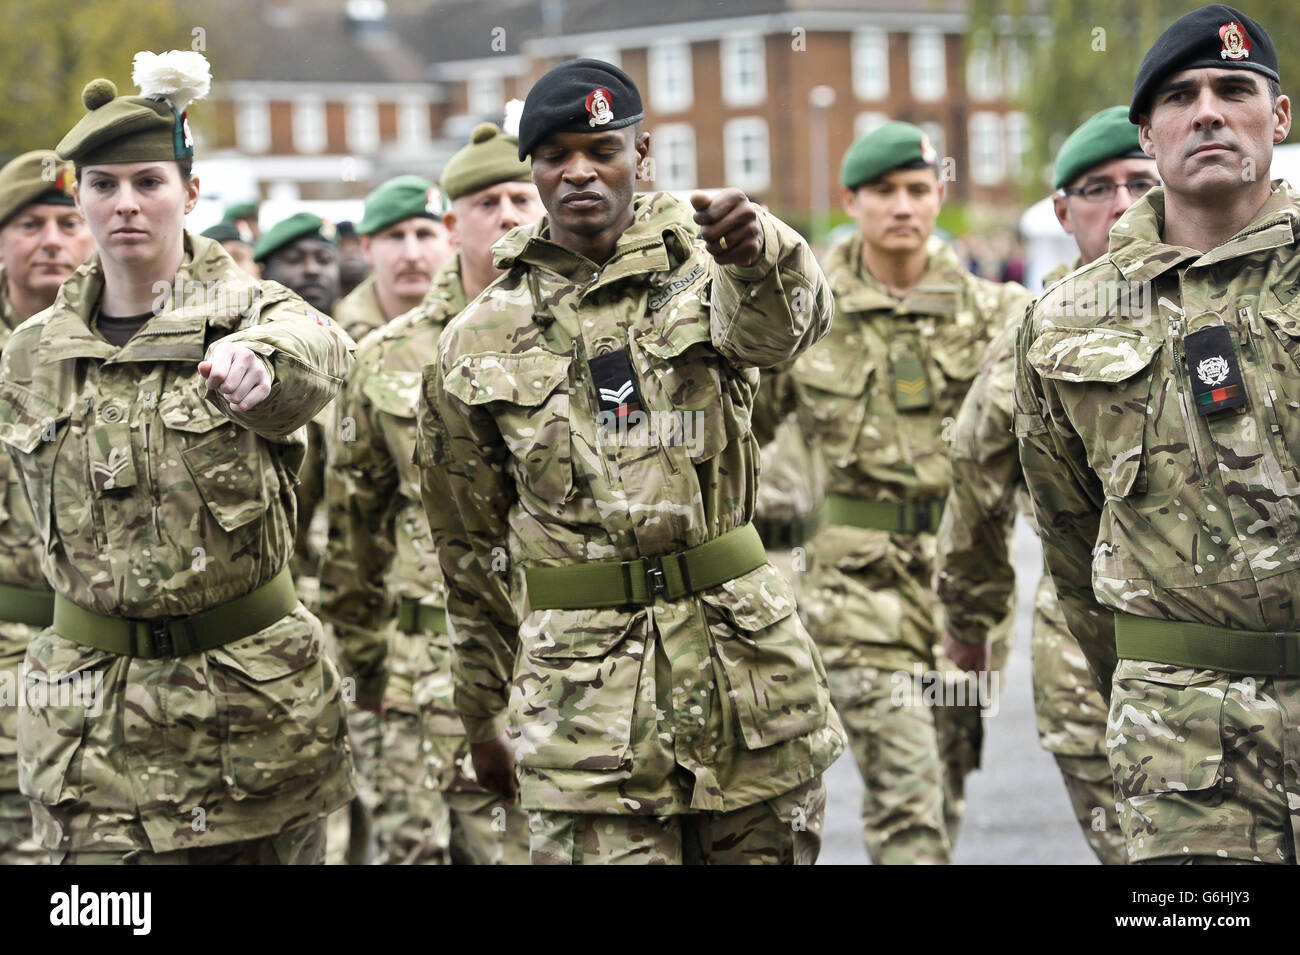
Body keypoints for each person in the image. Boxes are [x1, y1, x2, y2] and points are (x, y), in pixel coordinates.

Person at [417, 59, 844, 865]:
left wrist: (761, 252)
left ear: (640, 154)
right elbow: (468, 550)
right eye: (555, 155)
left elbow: (788, 330)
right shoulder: (476, 337)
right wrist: (481, 710)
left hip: (744, 680)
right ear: (533, 169)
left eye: (602, 149)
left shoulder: (712, 269)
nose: (579, 170)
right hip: (585, 712)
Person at [0, 50, 356, 864]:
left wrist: (260, 365)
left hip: (252, 731)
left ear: (191, 194)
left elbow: (322, 350)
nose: (126, 203)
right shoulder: (30, 355)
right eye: (104, 184)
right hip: (90, 742)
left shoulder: (254, 313)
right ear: (80, 196)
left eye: (149, 182)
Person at [1015, 4, 1297, 865]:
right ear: (1149, 131)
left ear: (1278, 116)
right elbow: (1068, 531)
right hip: (1181, 748)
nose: (1207, 109)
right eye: (1180, 96)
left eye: (1233, 88)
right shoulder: (1065, 320)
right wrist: (1142, 687)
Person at [782, 121, 1032, 864]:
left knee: (945, 785)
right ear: (849, 200)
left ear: (939, 196)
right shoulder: (804, 314)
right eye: (884, 191)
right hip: (855, 590)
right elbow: (741, 432)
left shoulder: (997, 313)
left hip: (966, 588)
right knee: (908, 793)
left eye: (918, 190)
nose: (903, 206)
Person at [936, 105, 1160, 865]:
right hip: (1091, 662)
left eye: (1141, 181)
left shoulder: (1239, 301)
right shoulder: (1039, 332)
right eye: (1099, 188)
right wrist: (969, 620)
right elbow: (975, 478)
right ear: (1061, 211)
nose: (1124, 204)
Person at [321, 123, 541, 864]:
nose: (509, 214)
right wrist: (364, 669)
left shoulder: (582, 334)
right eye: (487, 201)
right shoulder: (389, 355)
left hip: (562, 659)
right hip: (428, 664)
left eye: (521, 196)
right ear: (456, 225)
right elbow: (357, 525)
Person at [0, 149, 94, 863]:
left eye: (68, 221)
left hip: (104, 673)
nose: (53, 240)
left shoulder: (137, 351)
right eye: (30, 223)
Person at [332, 177, 453, 344]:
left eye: (424, 234)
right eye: (395, 236)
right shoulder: (335, 334)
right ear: (367, 248)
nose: (412, 255)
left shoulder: (481, 320)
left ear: (451, 242)